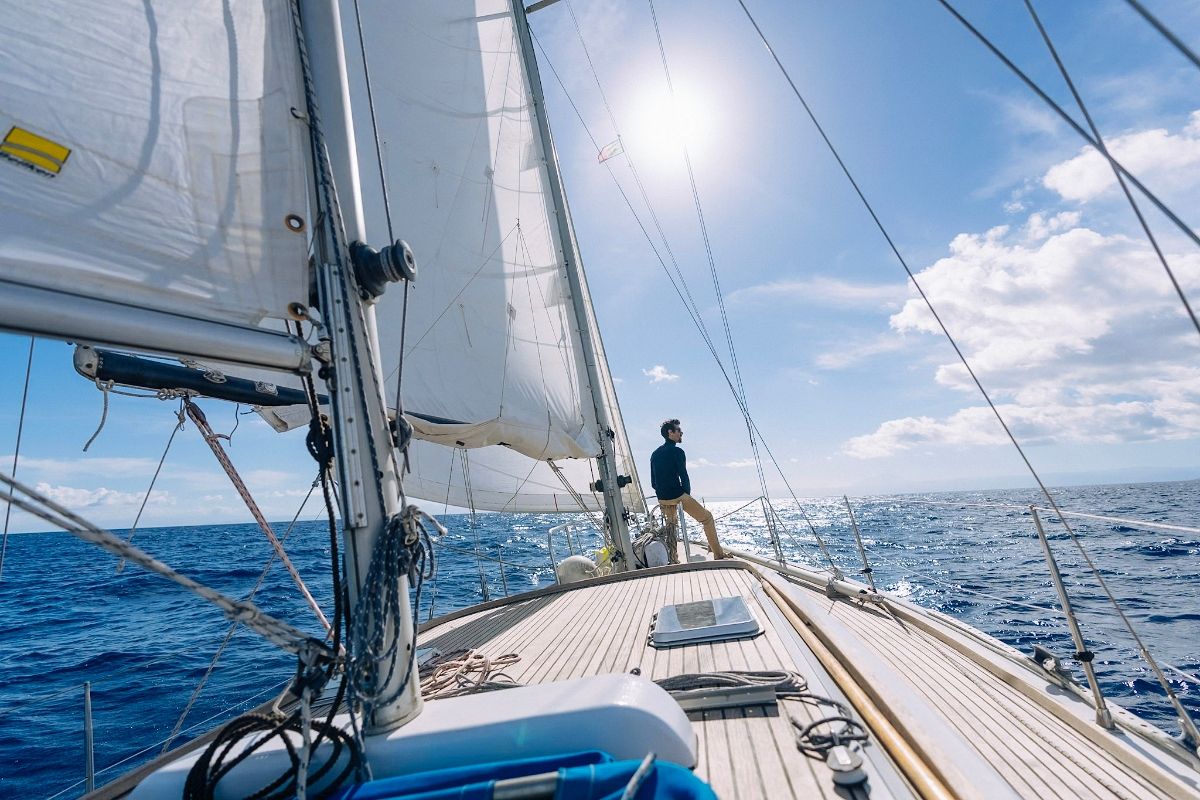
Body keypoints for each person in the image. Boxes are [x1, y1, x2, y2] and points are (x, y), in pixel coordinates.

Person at [650, 419, 726, 559]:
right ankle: (719, 554)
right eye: (678, 430)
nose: (681, 433)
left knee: (671, 527)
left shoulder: (654, 454)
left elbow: (653, 482)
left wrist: (662, 494)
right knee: (707, 518)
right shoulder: (678, 451)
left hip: (662, 497)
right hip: (678, 495)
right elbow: (683, 476)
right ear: (670, 432)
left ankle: (673, 559)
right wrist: (686, 495)